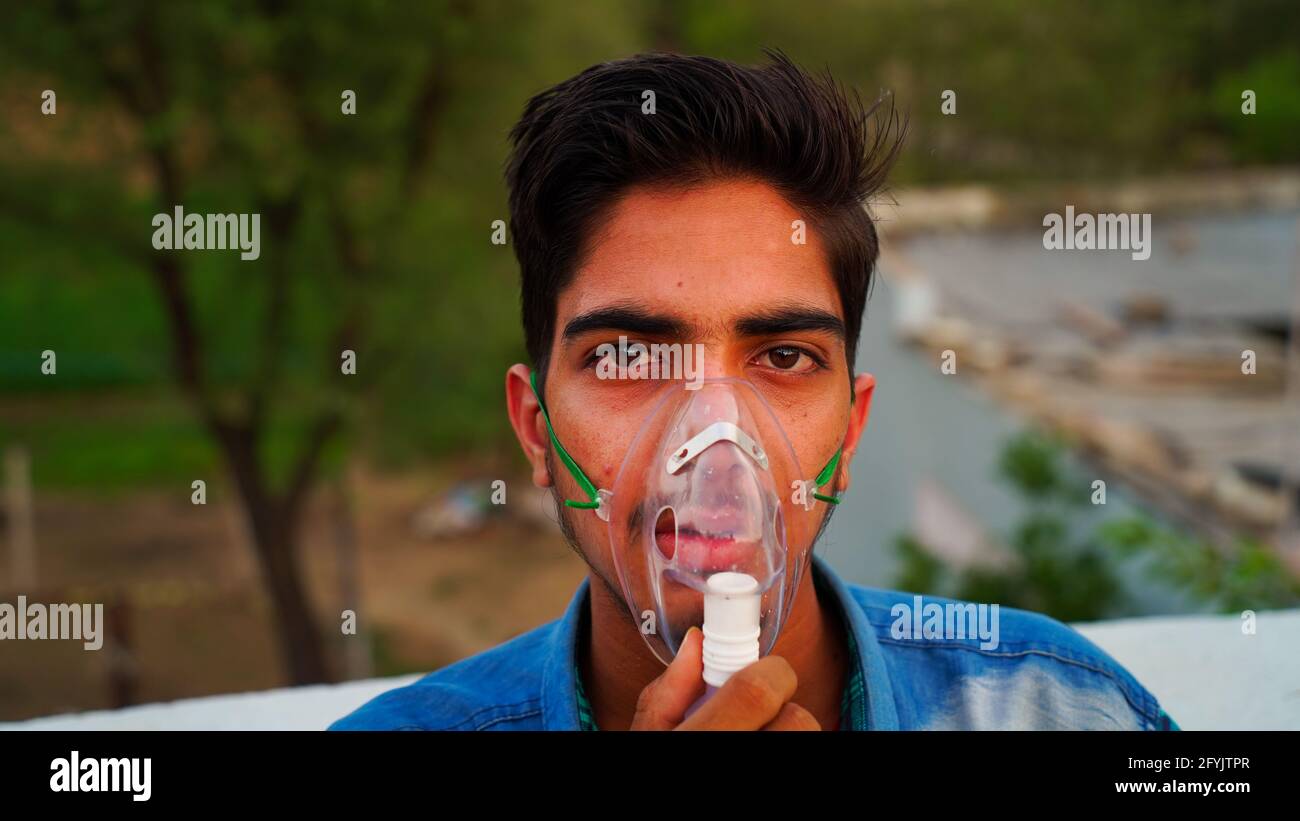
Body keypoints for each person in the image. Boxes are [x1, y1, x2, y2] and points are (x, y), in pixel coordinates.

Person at [330, 51, 1176, 731]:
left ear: (850, 431)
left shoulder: (1066, 709)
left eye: (783, 357)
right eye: (629, 357)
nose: (715, 444)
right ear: (537, 431)